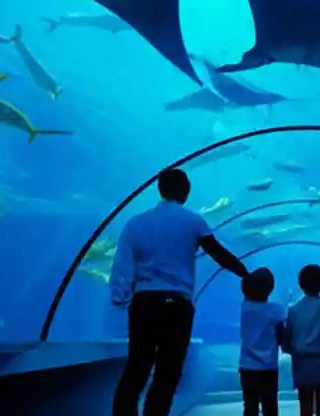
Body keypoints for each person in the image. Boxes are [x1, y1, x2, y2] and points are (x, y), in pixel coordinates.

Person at [110, 167, 250, 416]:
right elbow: (217, 253)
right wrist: (245, 273)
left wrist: (121, 297)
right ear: (186, 192)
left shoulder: (136, 223)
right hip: (177, 306)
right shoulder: (193, 221)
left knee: (137, 368)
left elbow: (122, 264)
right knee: (168, 371)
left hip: (144, 302)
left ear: (160, 189)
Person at [286, 264, 320, 416]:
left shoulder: (293, 308)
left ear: (300, 285)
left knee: (305, 403)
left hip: (301, 361)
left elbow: (288, 335)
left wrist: (290, 349)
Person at [240, 268, 288, 416]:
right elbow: (282, 332)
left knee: (250, 405)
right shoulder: (276, 310)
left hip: (246, 366)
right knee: (270, 404)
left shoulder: (245, 307)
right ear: (270, 288)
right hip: (268, 366)